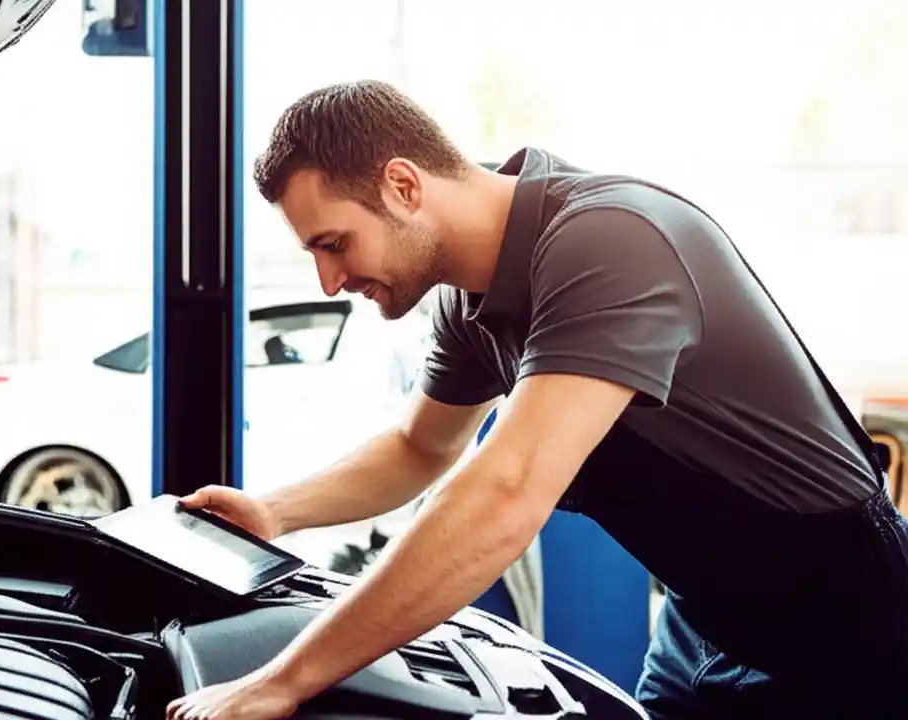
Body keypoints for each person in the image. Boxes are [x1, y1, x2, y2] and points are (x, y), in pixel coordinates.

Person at [164, 80, 908, 720]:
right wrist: (275, 513)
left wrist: (280, 682)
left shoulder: (610, 241)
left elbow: (505, 494)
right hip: (704, 619)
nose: (329, 281)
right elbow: (419, 448)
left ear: (402, 185)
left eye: (334, 243)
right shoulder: (468, 300)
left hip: (845, 619)